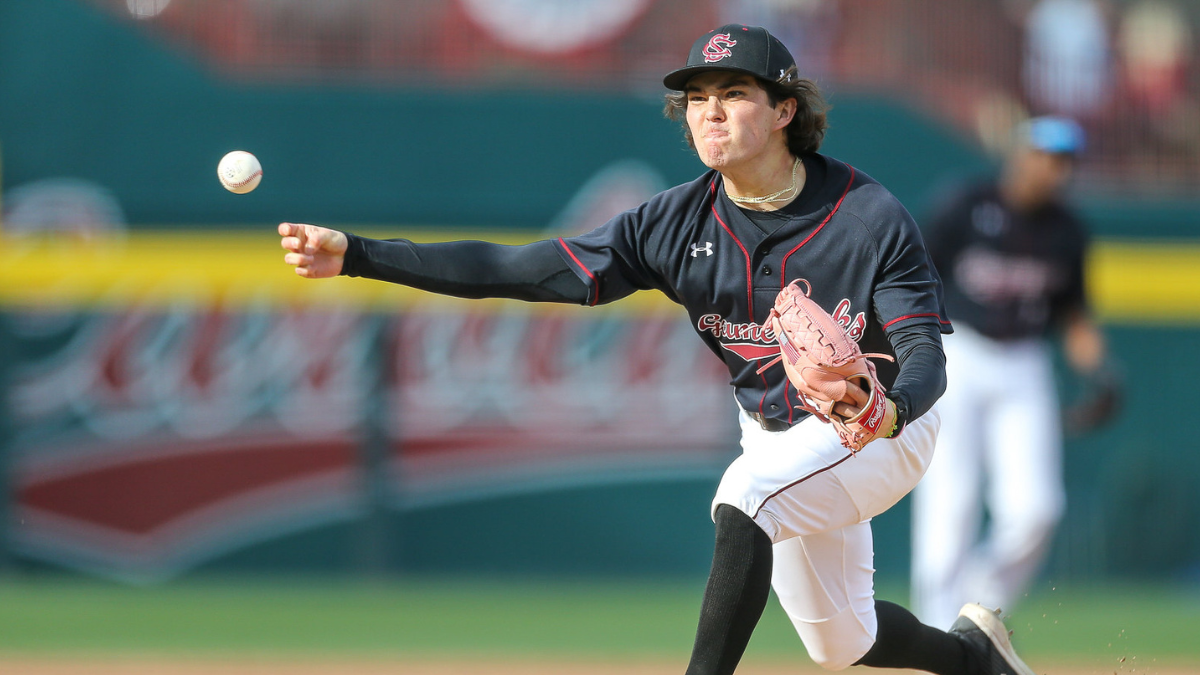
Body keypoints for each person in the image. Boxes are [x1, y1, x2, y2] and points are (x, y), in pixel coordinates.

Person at [280, 24, 1037, 675]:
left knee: (745, 497)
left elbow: (924, 352)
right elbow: (519, 269)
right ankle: (972, 655)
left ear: (784, 110)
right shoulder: (672, 225)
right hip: (777, 432)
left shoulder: (866, 216)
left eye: (734, 92)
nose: (710, 110)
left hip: (879, 426)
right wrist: (358, 254)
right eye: (697, 97)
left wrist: (893, 410)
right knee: (841, 641)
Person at [911, 116, 1111, 631]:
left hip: (1025, 363)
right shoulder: (966, 204)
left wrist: (1102, 371)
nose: (1055, 169)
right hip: (961, 354)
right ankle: (936, 632)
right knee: (949, 502)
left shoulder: (1068, 230)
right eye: (1046, 155)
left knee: (1036, 510)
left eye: (1065, 161)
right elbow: (913, 276)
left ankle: (973, 613)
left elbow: (1075, 315)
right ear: (1020, 154)